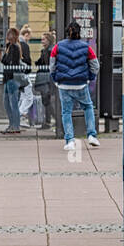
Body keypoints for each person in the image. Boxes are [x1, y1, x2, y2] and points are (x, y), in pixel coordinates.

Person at [51, 20, 100, 149]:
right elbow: (95, 65)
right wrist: (90, 77)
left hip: (64, 85)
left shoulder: (58, 46)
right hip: (81, 84)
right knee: (88, 107)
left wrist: (55, 79)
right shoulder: (86, 47)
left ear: (68, 32)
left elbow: (52, 66)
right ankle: (91, 135)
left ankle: (70, 141)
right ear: (80, 33)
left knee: (66, 112)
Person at [0, 27, 23, 134]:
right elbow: (5, 61)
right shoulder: (9, 46)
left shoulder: (14, 47)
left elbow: (10, 62)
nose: (7, 36)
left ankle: (15, 125)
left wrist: (3, 57)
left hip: (12, 78)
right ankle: (12, 124)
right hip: (7, 78)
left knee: (12, 102)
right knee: (6, 102)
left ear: (13, 36)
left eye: (9, 34)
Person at [35, 31, 57, 132]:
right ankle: (49, 121)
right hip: (46, 79)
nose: (42, 41)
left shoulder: (50, 50)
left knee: (47, 101)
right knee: (46, 101)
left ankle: (54, 120)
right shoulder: (45, 50)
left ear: (49, 40)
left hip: (47, 79)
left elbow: (49, 65)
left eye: (43, 39)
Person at [16, 25, 36, 127]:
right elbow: (27, 60)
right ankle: (19, 114)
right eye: (29, 37)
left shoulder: (16, 43)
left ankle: (18, 117)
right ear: (26, 35)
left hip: (17, 74)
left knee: (23, 96)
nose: (29, 39)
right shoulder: (24, 45)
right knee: (29, 97)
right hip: (24, 74)